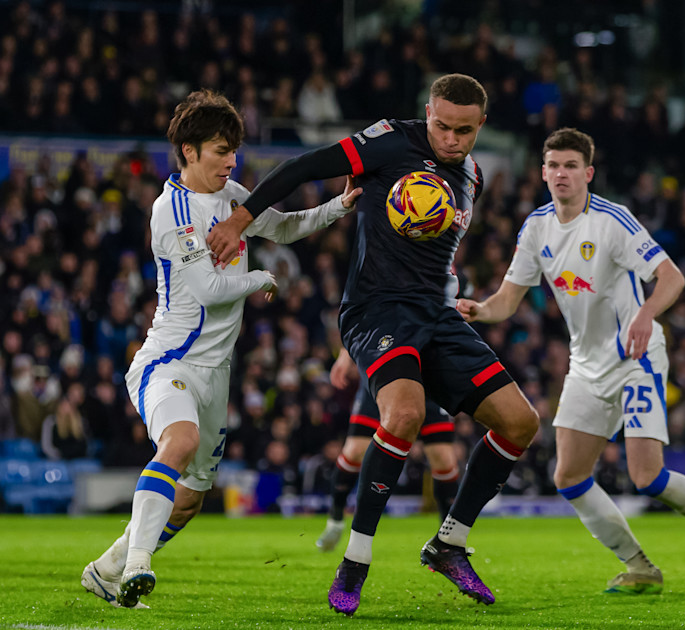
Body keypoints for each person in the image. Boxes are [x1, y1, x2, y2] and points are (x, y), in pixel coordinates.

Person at [208, 74, 539, 615]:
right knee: (403, 415)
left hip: (436, 314)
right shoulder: (389, 141)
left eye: (464, 130)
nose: (451, 139)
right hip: (377, 310)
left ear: (482, 126)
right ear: (426, 112)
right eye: (441, 126)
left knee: (521, 423)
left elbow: (438, 257)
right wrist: (241, 221)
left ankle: (449, 543)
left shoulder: (472, 177)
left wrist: (459, 298)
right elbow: (305, 166)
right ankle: (354, 562)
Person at [80, 89, 363, 609]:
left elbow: (282, 226)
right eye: (218, 149)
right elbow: (209, 290)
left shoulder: (229, 192)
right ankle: (139, 565)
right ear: (188, 151)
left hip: (217, 372)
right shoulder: (172, 209)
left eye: (233, 149)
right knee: (180, 440)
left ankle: (108, 567)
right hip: (169, 359)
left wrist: (339, 206)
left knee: (189, 499)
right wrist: (259, 277)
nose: (231, 160)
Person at [455, 128, 685, 593]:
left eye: (571, 166)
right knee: (569, 476)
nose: (561, 174)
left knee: (645, 475)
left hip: (635, 357)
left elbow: (671, 277)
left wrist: (647, 314)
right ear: (543, 172)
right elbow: (508, 298)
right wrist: (479, 309)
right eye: (553, 165)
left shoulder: (613, 221)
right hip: (585, 366)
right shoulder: (535, 227)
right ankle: (641, 567)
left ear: (588, 173)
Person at [315, 348, 459, 551]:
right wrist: (346, 353)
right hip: (384, 372)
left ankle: (448, 541)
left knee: (444, 459)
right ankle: (335, 520)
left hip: (429, 378)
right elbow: (360, 316)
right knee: (355, 451)